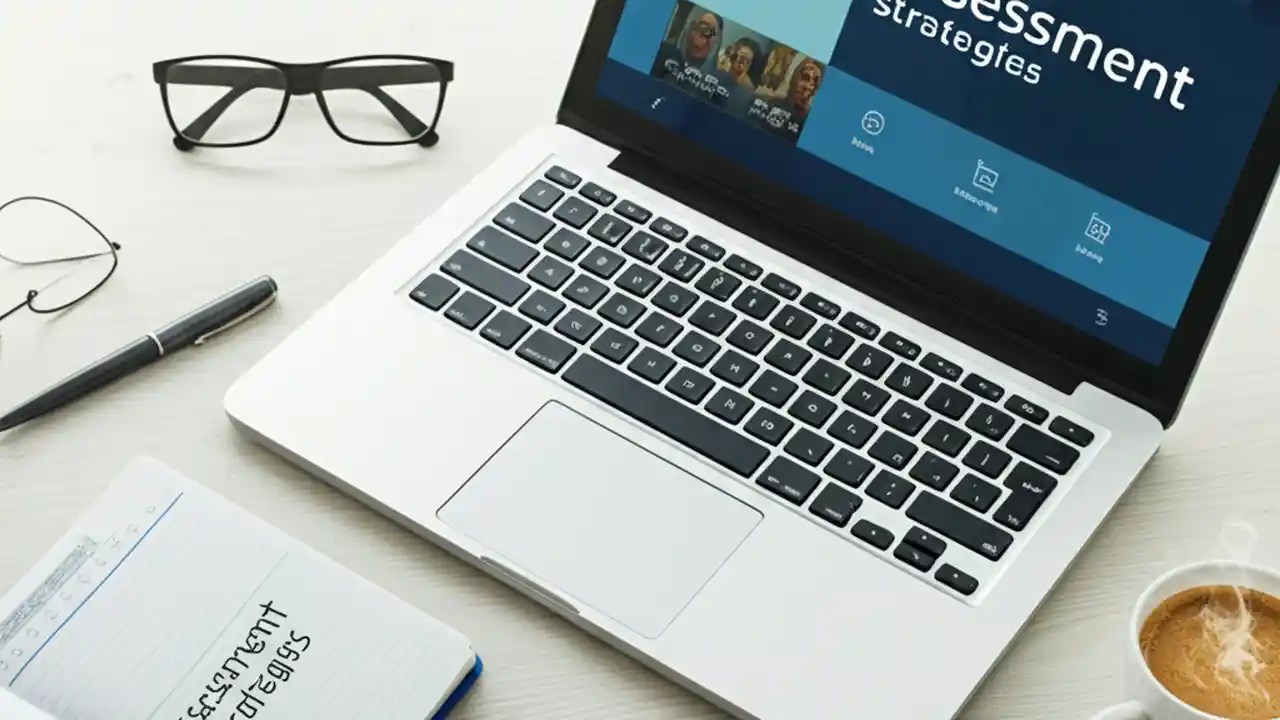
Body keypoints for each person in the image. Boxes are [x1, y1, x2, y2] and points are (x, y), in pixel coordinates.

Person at [654, 8, 723, 80]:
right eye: (702, 28)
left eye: (711, 32)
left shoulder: (713, 76)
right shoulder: (663, 52)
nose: (703, 38)